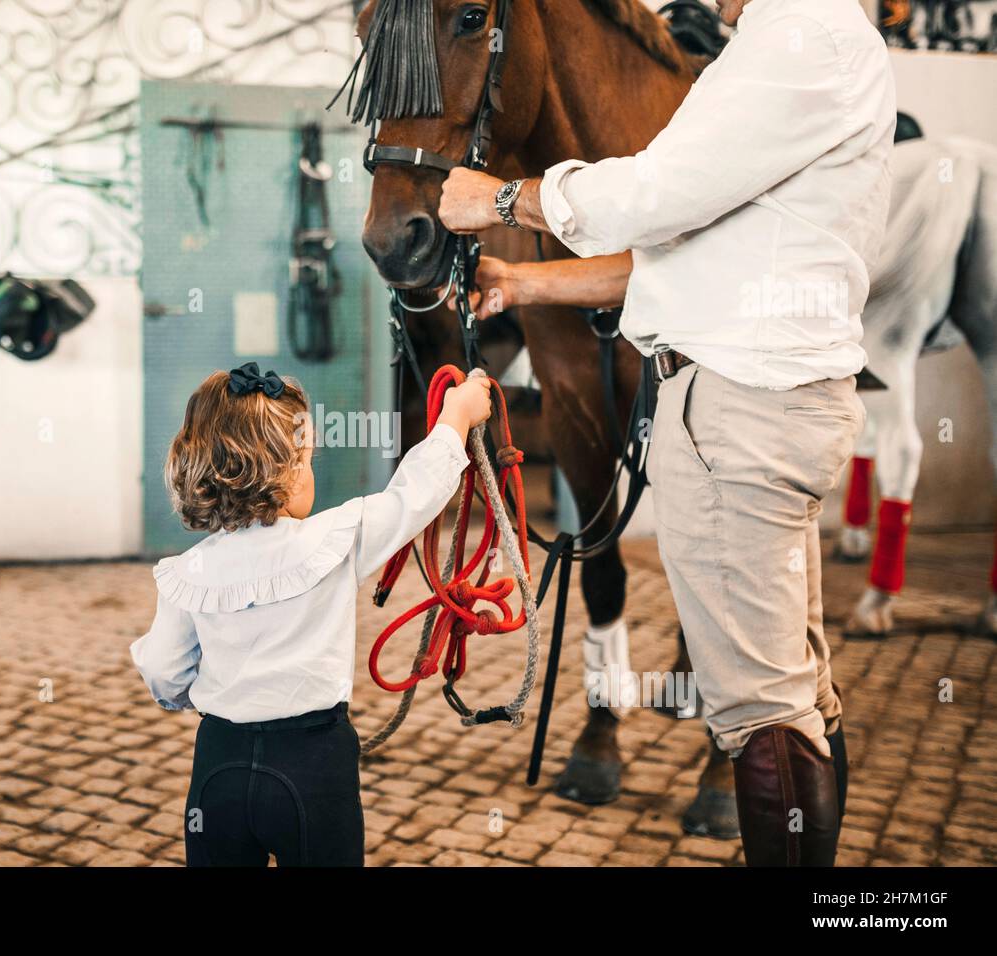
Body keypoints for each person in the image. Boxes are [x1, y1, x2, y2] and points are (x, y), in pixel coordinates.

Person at [437, 0, 896, 866]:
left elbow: (653, 196)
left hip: (742, 412)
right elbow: (682, 250)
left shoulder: (801, 34)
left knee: (761, 711)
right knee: (795, 694)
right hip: (752, 404)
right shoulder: (782, 41)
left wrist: (501, 198)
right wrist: (527, 286)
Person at [130, 362, 491, 866]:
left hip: (219, 763)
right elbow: (415, 494)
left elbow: (164, 672)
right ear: (286, 470)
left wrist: (225, 695)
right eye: (307, 458)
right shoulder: (336, 540)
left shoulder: (187, 573)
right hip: (313, 768)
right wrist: (458, 414)